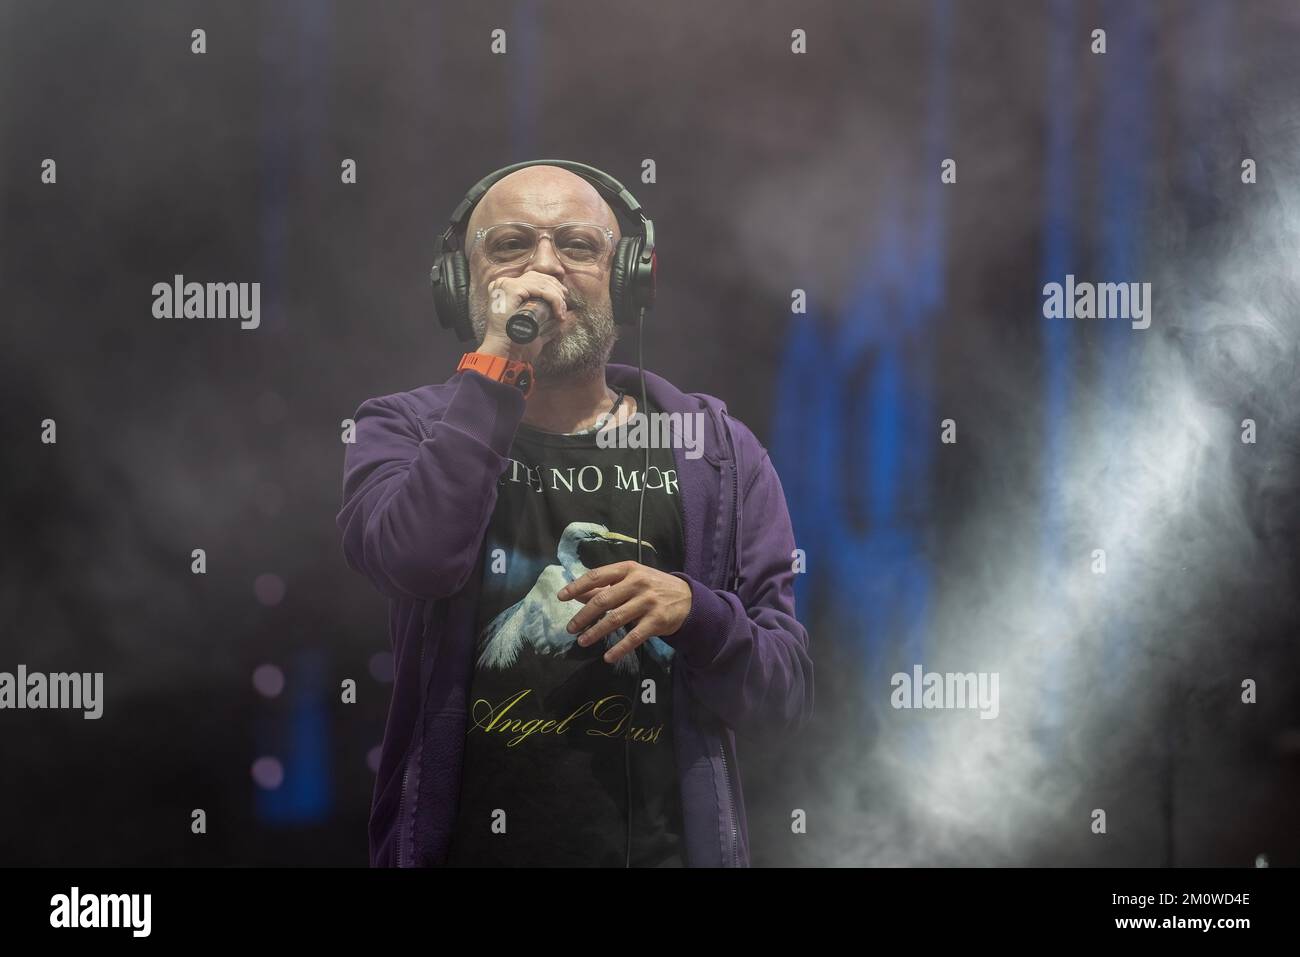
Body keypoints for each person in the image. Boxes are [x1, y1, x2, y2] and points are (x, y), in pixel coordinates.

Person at [337, 162, 813, 867]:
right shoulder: (400, 429)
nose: (545, 269)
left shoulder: (714, 452)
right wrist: (497, 361)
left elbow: (784, 696)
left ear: (627, 280)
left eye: (579, 246)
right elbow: (419, 559)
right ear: (462, 285)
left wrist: (697, 612)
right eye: (509, 246)